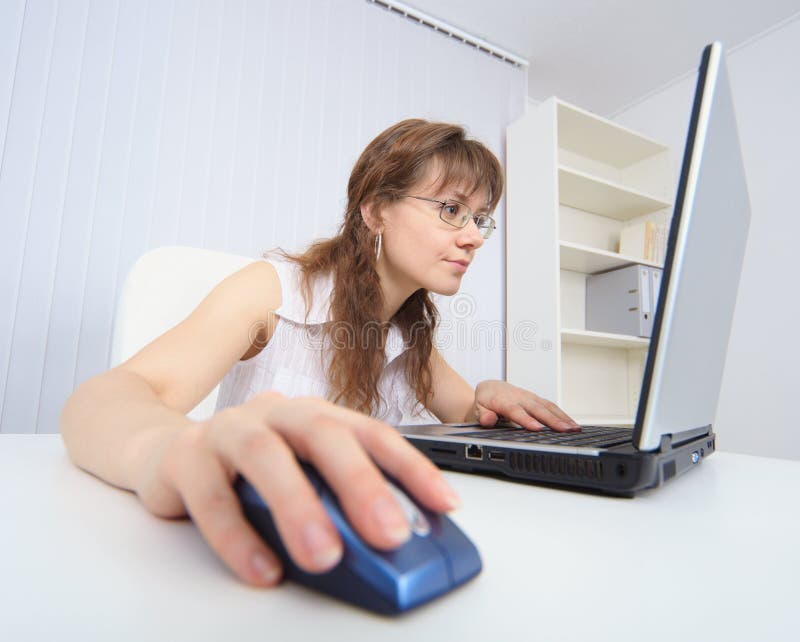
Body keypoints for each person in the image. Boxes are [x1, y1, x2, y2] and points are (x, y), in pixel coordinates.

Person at [61, 118, 578, 589]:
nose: (474, 238)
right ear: (375, 210)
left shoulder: (411, 336)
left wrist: (486, 398)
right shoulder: (271, 292)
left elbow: (470, 415)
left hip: (362, 546)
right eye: (451, 210)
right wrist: (166, 450)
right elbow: (103, 401)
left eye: (480, 219)